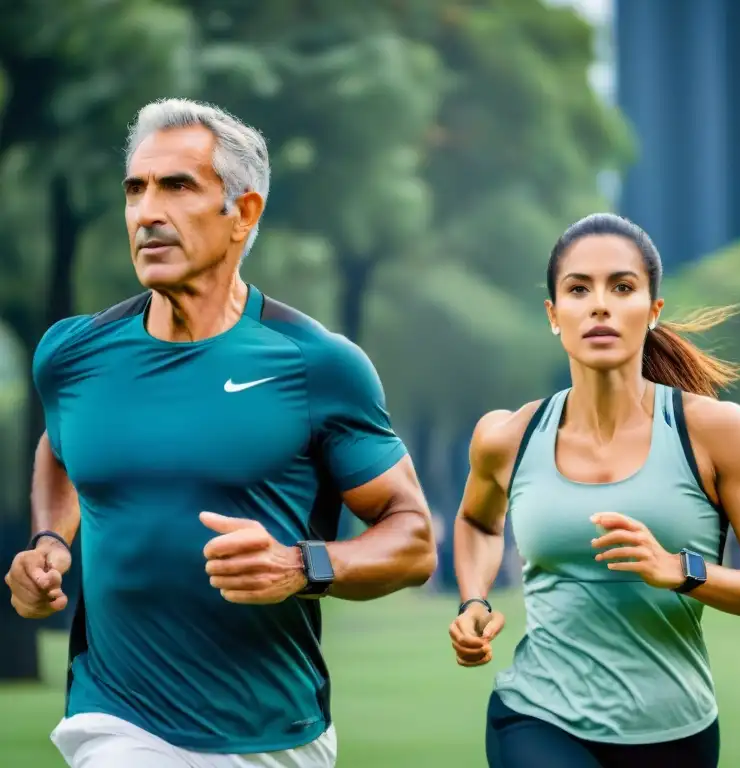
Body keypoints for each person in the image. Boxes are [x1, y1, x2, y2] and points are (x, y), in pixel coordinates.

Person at [3, 98, 437, 768]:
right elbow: (60, 447)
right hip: (116, 718)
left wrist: (301, 566)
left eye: (177, 187)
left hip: (275, 731)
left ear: (244, 213)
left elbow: (412, 541)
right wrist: (49, 542)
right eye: (135, 189)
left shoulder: (317, 364)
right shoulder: (73, 355)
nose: (147, 212)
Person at [447, 213, 740, 768]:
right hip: (538, 715)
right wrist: (473, 600)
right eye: (578, 289)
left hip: (676, 730)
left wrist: (680, 571)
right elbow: (476, 522)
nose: (600, 306)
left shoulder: (716, 432)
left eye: (623, 287)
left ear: (653, 311)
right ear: (553, 315)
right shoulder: (506, 436)